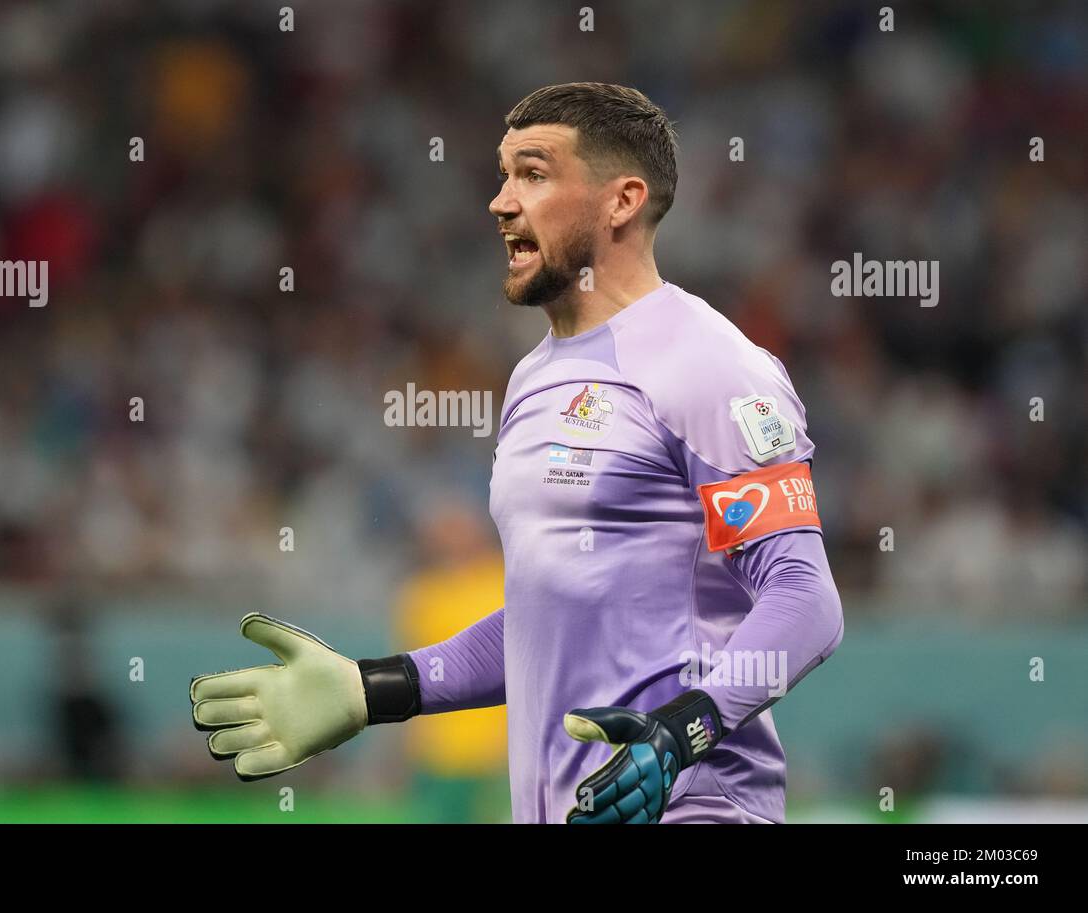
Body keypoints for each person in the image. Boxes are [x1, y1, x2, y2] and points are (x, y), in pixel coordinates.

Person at [191, 82, 843, 824]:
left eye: (533, 174)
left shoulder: (711, 365)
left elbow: (804, 596)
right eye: (503, 176)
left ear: (621, 200)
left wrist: (680, 730)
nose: (501, 202)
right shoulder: (535, 380)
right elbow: (550, 618)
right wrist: (374, 688)